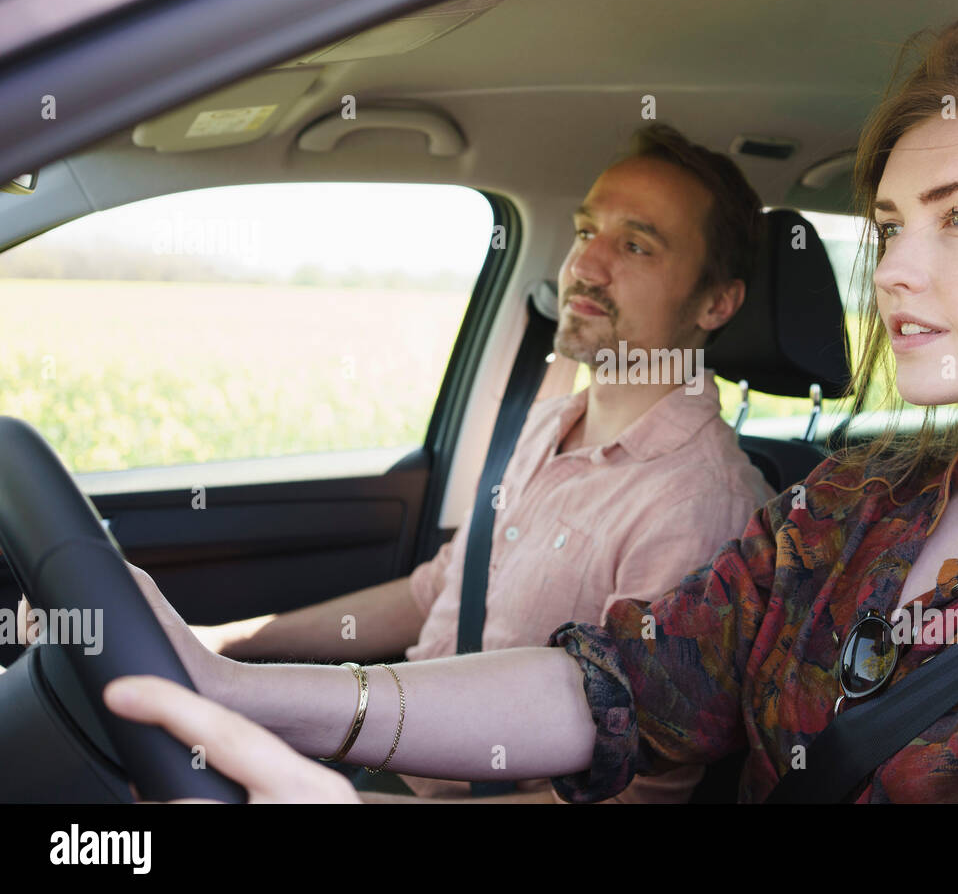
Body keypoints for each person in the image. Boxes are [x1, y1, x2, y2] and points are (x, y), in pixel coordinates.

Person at [107, 0, 958, 803]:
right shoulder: (850, 502)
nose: (893, 269)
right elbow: (613, 684)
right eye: (887, 226)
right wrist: (243, 690)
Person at [42, 123, 777, 804]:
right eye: (586, 231)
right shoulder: (555, 422)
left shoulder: (699, 503)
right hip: (388, 760)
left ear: (716, 303)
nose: (584, 263)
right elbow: (437, 594)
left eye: (637, 245)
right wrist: (227, 643)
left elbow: (636, 795)